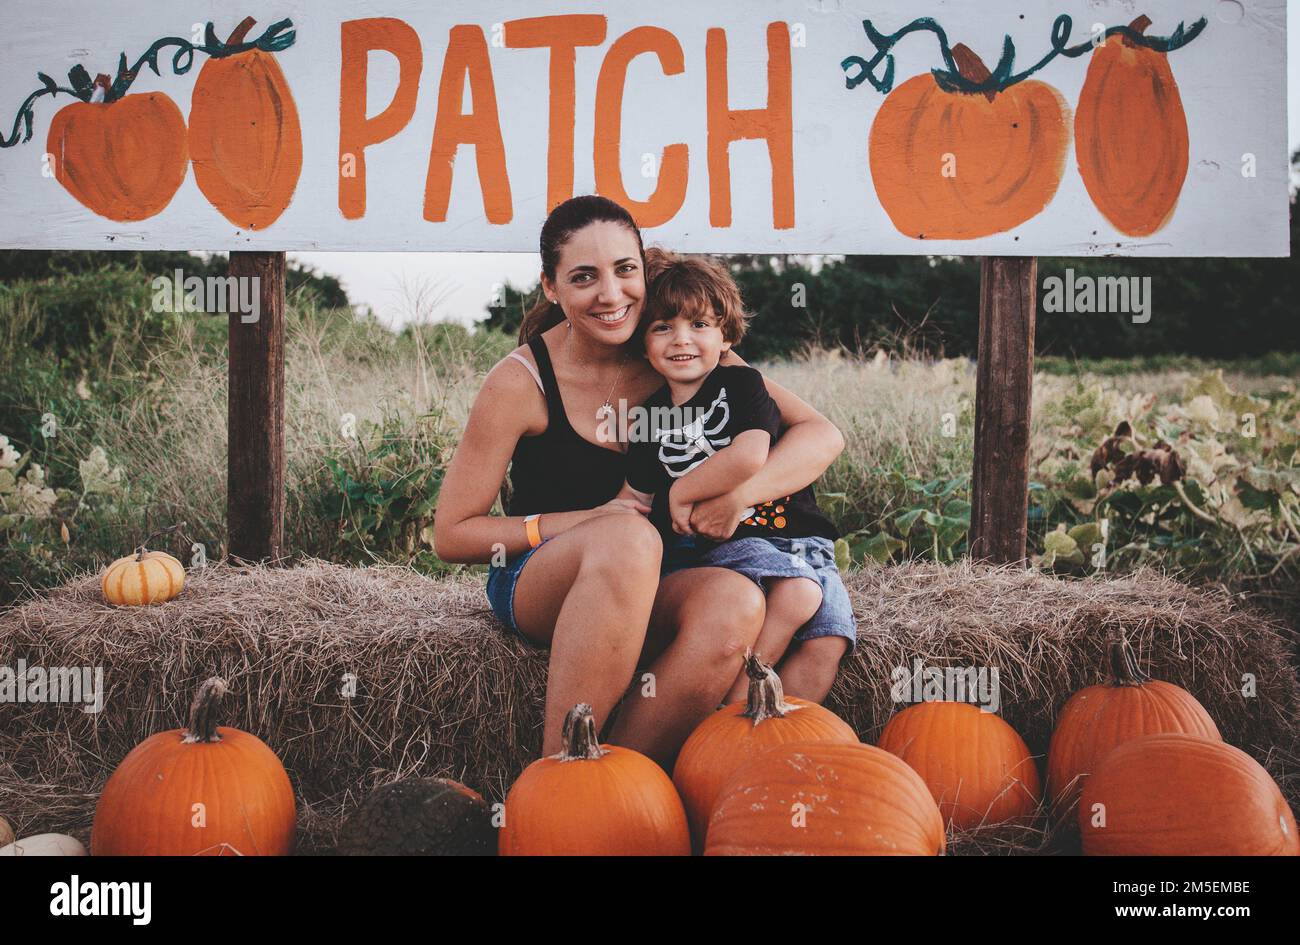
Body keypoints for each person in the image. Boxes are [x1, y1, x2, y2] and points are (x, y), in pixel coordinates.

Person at [432, 195, 844, 768]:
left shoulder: (675, 345)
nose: (610, 293)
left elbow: (820, 435)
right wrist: (585, 522)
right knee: (628, 540)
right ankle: (558, 779)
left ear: (643, 270)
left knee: (737, 601)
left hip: (660, 569)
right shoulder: (521, 382)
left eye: (625, 270)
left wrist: (739, 495)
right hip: (543, 574)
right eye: (584, 277)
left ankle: (625, 789)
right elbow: (451, 534)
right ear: (551, 287)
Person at [618, 251, 853, 706]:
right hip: (733, 544)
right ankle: (730, 720)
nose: (681, 339)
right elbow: (636, 492)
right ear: (642, 345)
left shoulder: (743, 385)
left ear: (726, 337)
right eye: (662, 328)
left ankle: (783, 742)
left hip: (803, 536)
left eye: (699, 325)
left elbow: (748, 455)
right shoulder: (649, 416)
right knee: (799, 595)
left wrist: (684, 490)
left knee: (829, 638)